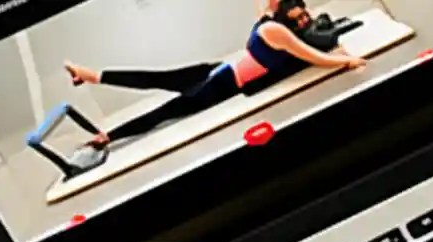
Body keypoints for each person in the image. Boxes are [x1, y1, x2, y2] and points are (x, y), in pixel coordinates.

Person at [63, 0, 366, 147]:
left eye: (304, 15)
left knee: (161, 92)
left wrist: (340, 56)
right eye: (297, 17)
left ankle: (99, 104)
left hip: (221, 72)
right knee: (163, 96)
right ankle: (97, 98)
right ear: (282, 17)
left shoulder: (270, 21)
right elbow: (311, 55)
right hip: (219, 81)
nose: (303, 21)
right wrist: (345, 62)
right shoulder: (275, 29)